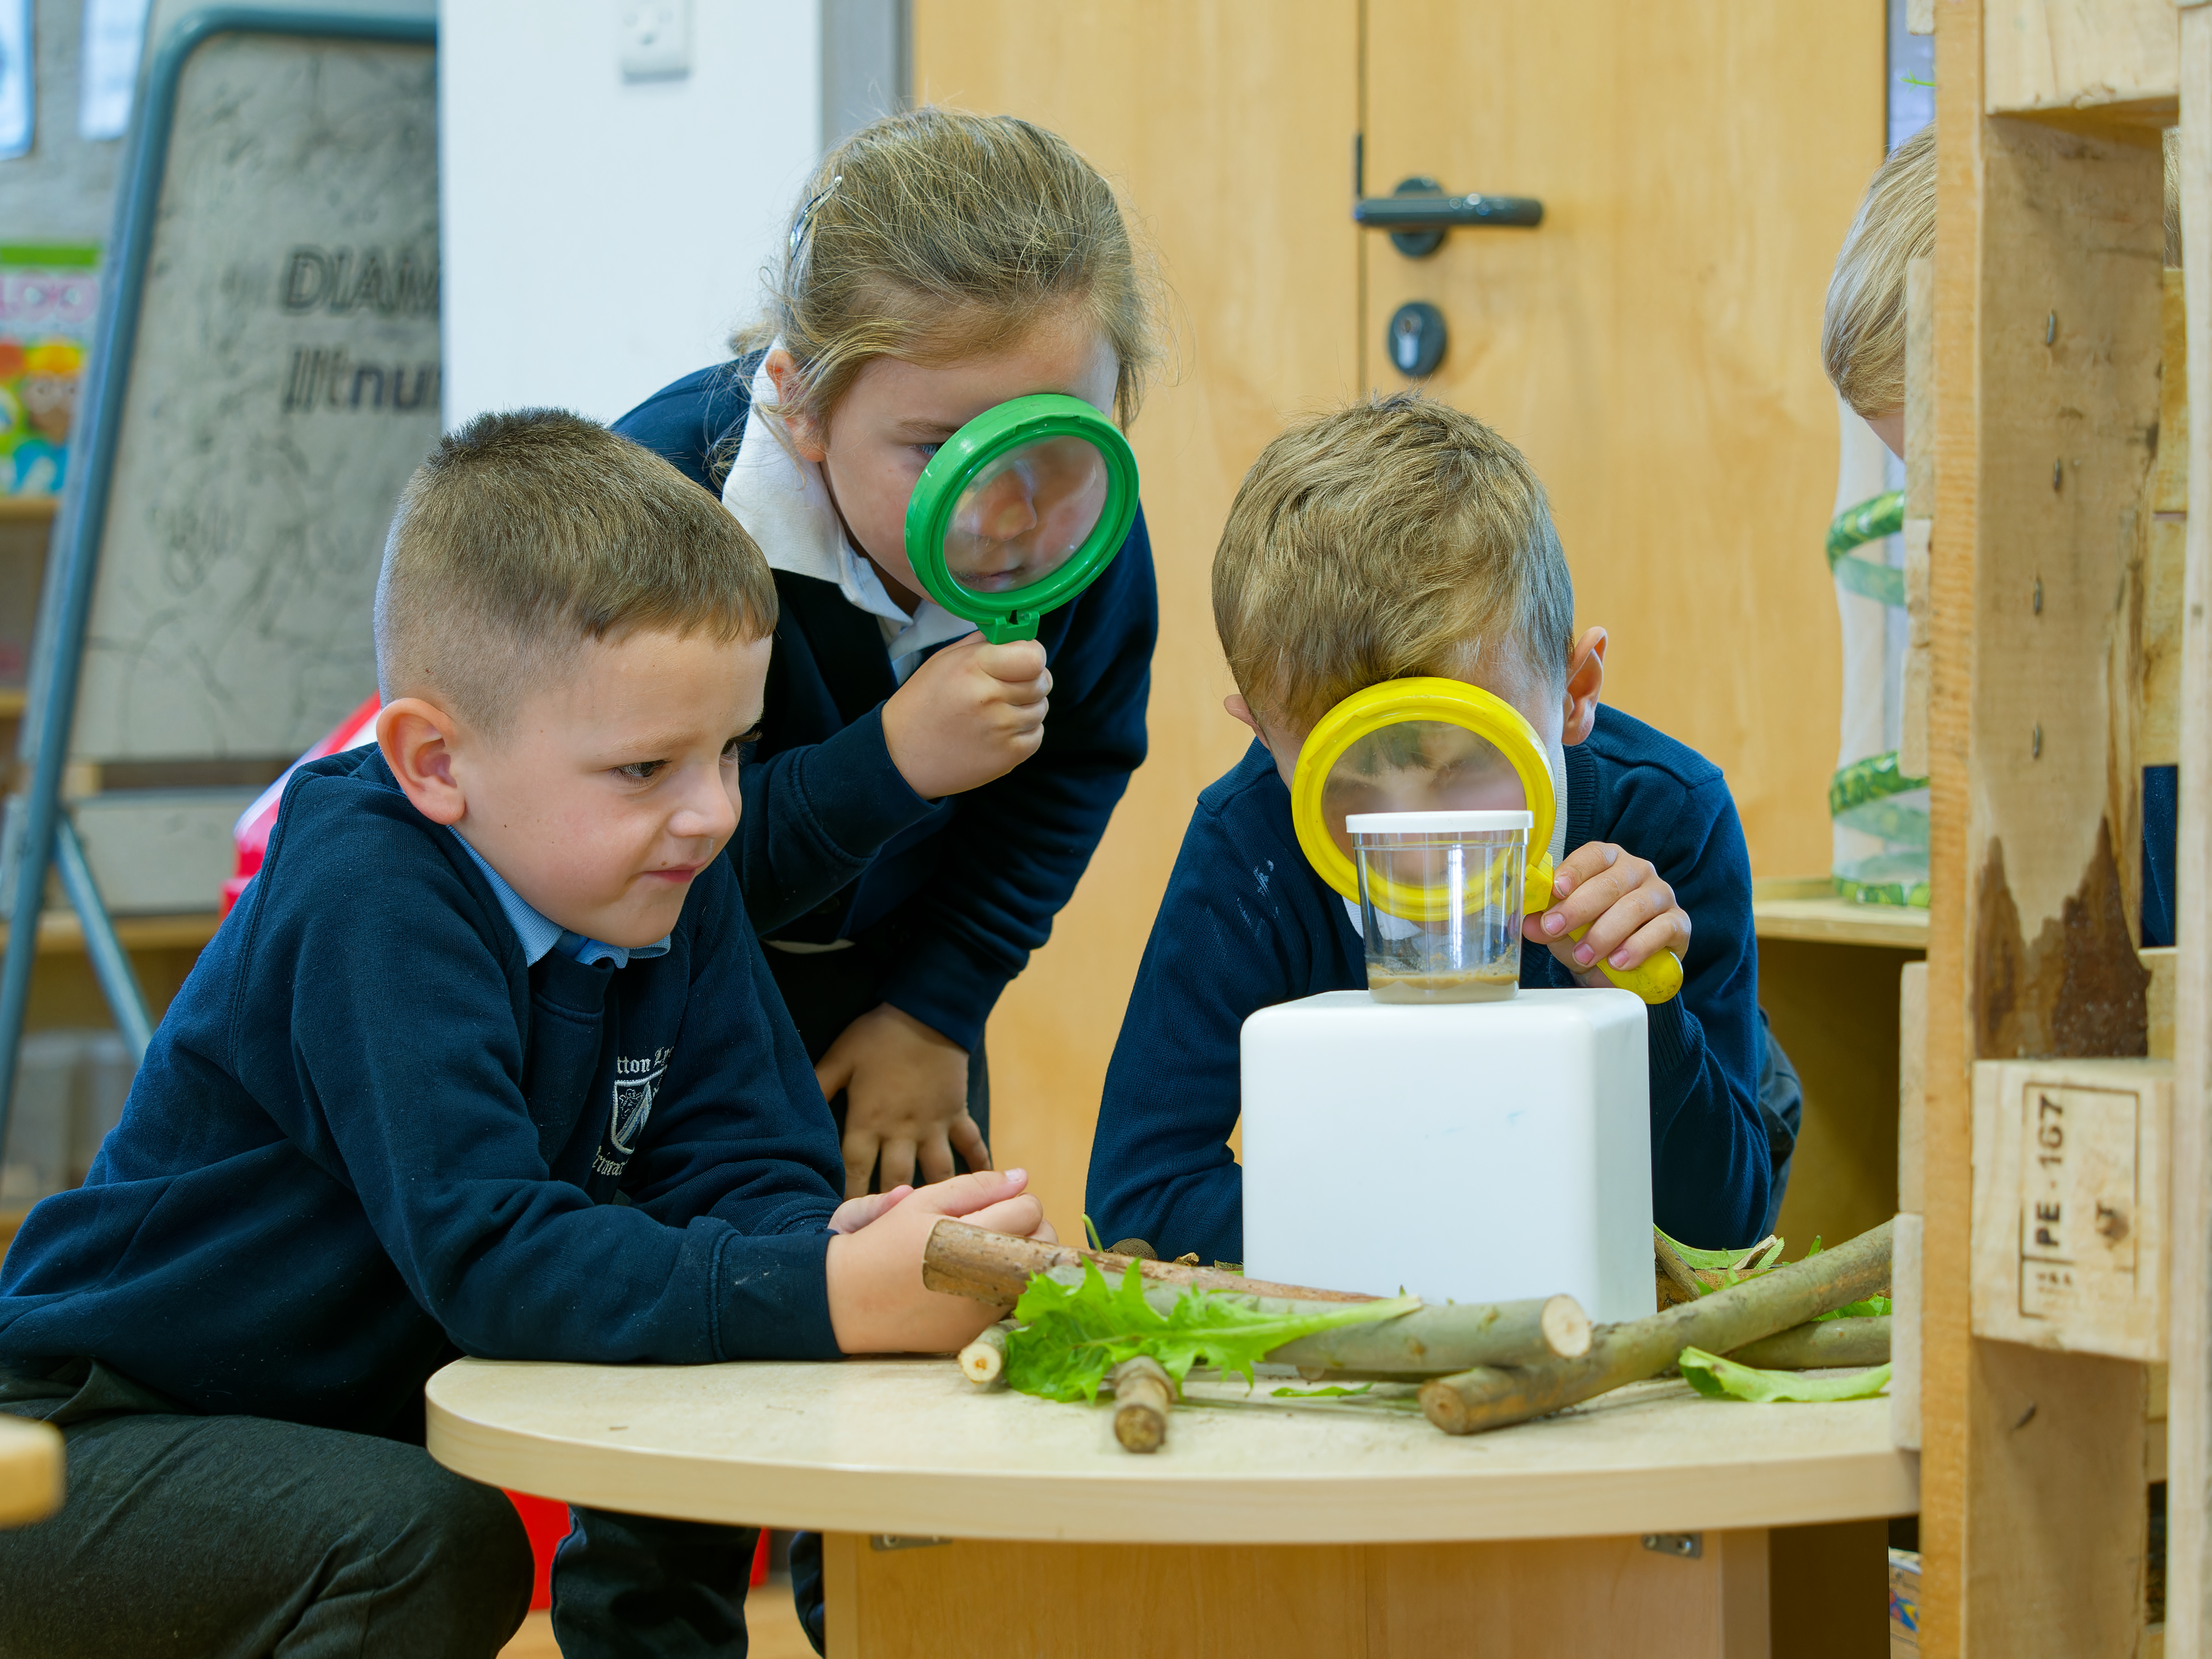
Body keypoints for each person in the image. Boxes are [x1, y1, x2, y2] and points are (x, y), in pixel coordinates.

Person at [0, 411, 1053, 1659]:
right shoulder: (368, 893)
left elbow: (748, 1168)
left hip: (296, 1452)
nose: (714, 814)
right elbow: (491, 1254)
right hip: (76, 1444)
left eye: (733, 751)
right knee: (425, 1543)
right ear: (435, 762)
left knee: (723, 1337)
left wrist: (834, 1250)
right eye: (645, 768)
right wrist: (823, 1292)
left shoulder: (661, 871)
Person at [1086, 395, 1797, 1265]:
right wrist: (1448, 1225)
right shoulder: (1251, 845)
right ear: (1266, 737)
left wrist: (1641, 1009)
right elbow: (1137, 1200)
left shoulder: (1669, 814)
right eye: (1351, 781)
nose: (1420, 848)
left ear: (1576, 692)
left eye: (1464, 766)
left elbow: (1722, 1231)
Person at [615, 107, 1158, 1202]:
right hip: (657, 1003)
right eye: (939, 450)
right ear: (801, 403)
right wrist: (893, 762)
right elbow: (630, 860)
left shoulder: (1080, 527)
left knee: (923, 1281)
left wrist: (936, 1010)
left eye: (1056, 444)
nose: (1011, 513)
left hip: (909, 1010)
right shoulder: (653, 519)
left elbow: (1074, 766)